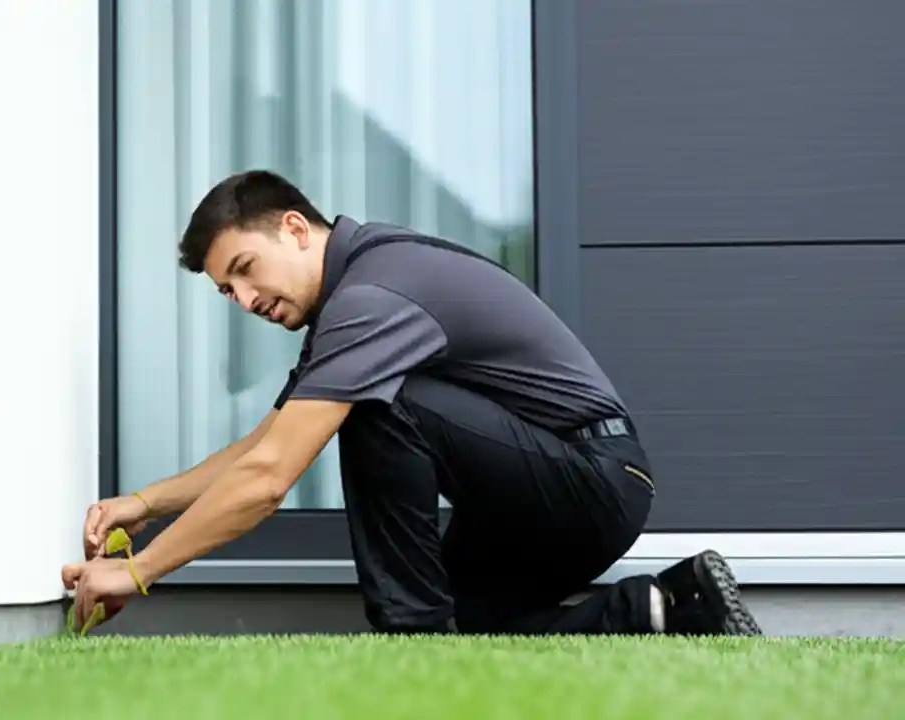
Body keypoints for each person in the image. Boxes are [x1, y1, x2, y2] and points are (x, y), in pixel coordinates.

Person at [62, 169, 763, 637]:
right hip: (551, 492)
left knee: (378, 406)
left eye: (245, 270)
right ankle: (658, 606)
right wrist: (144, 505)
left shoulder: (372, 298)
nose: (245, 301)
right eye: (227, 292)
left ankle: (410, 637)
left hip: (591, 478)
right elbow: (264, 443)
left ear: (296, 229)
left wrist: (138, 569)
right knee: (472, 630)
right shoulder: (352, 302)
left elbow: (269, 477)